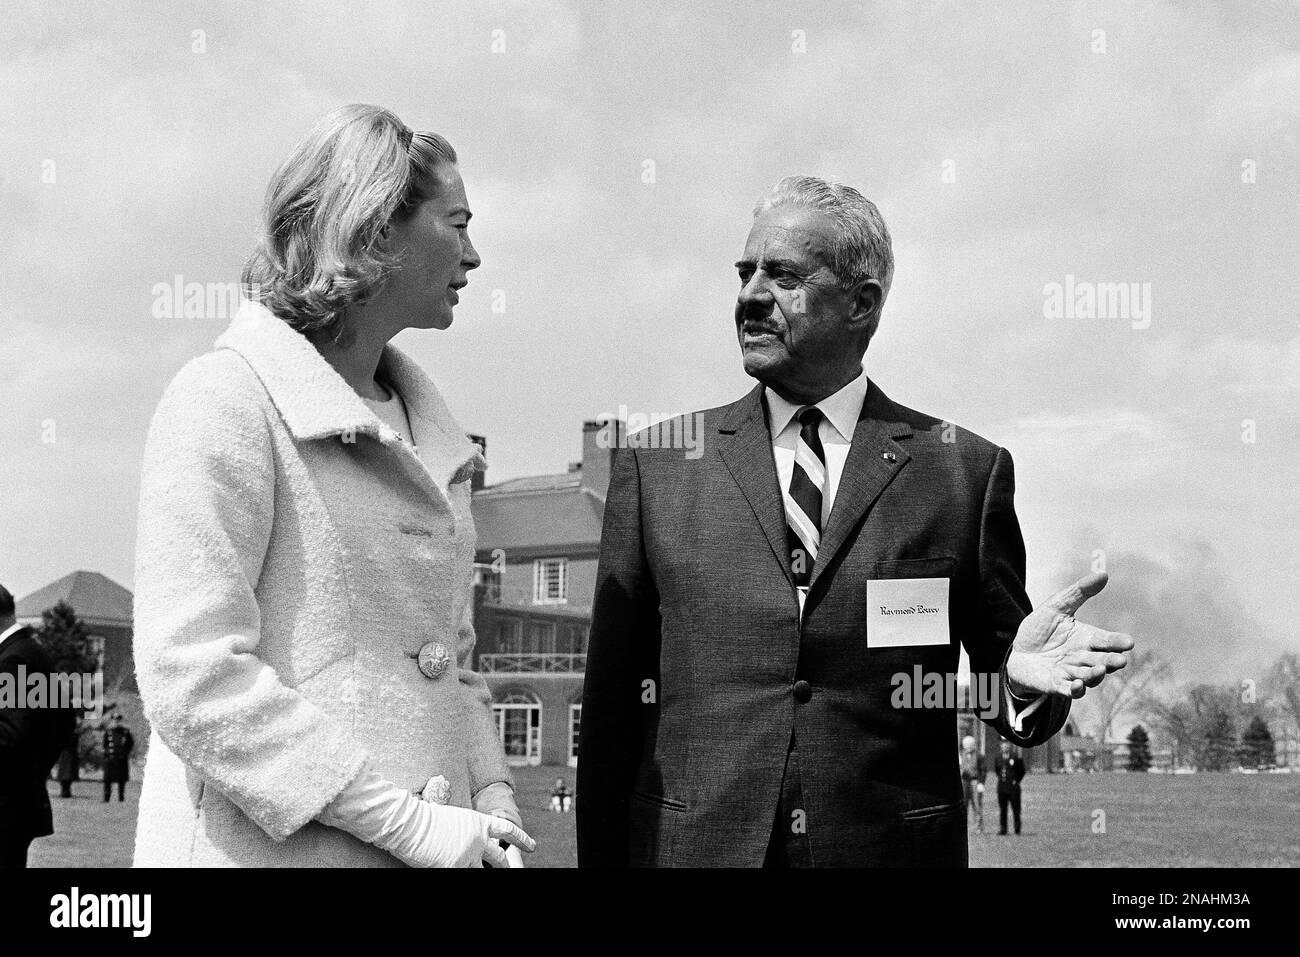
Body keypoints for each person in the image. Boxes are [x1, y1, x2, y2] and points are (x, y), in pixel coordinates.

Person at [577, 176, 1135, 867]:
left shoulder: (963, 474)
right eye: (745, 272)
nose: (749, 294)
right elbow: (607, 718)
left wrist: (1017, 683)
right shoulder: (658, 469)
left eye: (783, 275)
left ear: (862, 303)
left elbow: (1007, 697)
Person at [132, 104, 534, 868]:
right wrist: (411, 826)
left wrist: (493, 799)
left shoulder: (436, 440)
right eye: (457, 223)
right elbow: (193, 675)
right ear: (377, 228)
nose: (475, 254)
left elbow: (453, 661)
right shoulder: (226, 400)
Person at [0, 584, 76, 867]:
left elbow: (11, 734)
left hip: (7, 802)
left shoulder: (14, 660)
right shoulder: (31, 652)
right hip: (18, 799)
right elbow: (65, 721)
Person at [994, 740, 1027, 835]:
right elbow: (997, 771)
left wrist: (1016, 781)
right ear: (1001, 746)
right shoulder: (998, 757)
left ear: (1010, 745)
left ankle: (1017, 828)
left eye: (1007, 745)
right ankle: (1003, 829)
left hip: (1013, 788)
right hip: (1002, 788)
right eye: (1003, 745)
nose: (1005, 747)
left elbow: (1022, 771)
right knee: (1003, 809)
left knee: (1016, 809)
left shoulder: (1015, 756)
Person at [101, 715, 133, 803]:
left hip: (121, 759)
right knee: (107, 780)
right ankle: (106, 798)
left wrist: (124, 753)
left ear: (120, 721)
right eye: (114, 720)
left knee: (121, 780)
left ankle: (121, 798)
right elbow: (104, 745)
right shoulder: (108, 732)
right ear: (112, 721)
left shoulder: (126, 732)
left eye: (118, 720)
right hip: (110, 759)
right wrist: (106, 754)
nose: (116, 722)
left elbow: (130, 745)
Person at [959, 735, 986, 833]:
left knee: (977, 804)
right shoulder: (961, 754)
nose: (968, 747)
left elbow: (983, 770)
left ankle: (979, 826)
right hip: (964, 781)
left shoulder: (979, 755)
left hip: (975, 781)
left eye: (970, 745)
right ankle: (962, 826)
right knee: (963, 805)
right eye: (966, 745)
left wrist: (981, 783)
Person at [55, 725, 80, 799]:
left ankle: (66, 791)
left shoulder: (73, 734)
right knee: (65, 776)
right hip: (65, 755)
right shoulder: (67, 734)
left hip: (69, 755)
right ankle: (65, 791)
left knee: (68, 776)